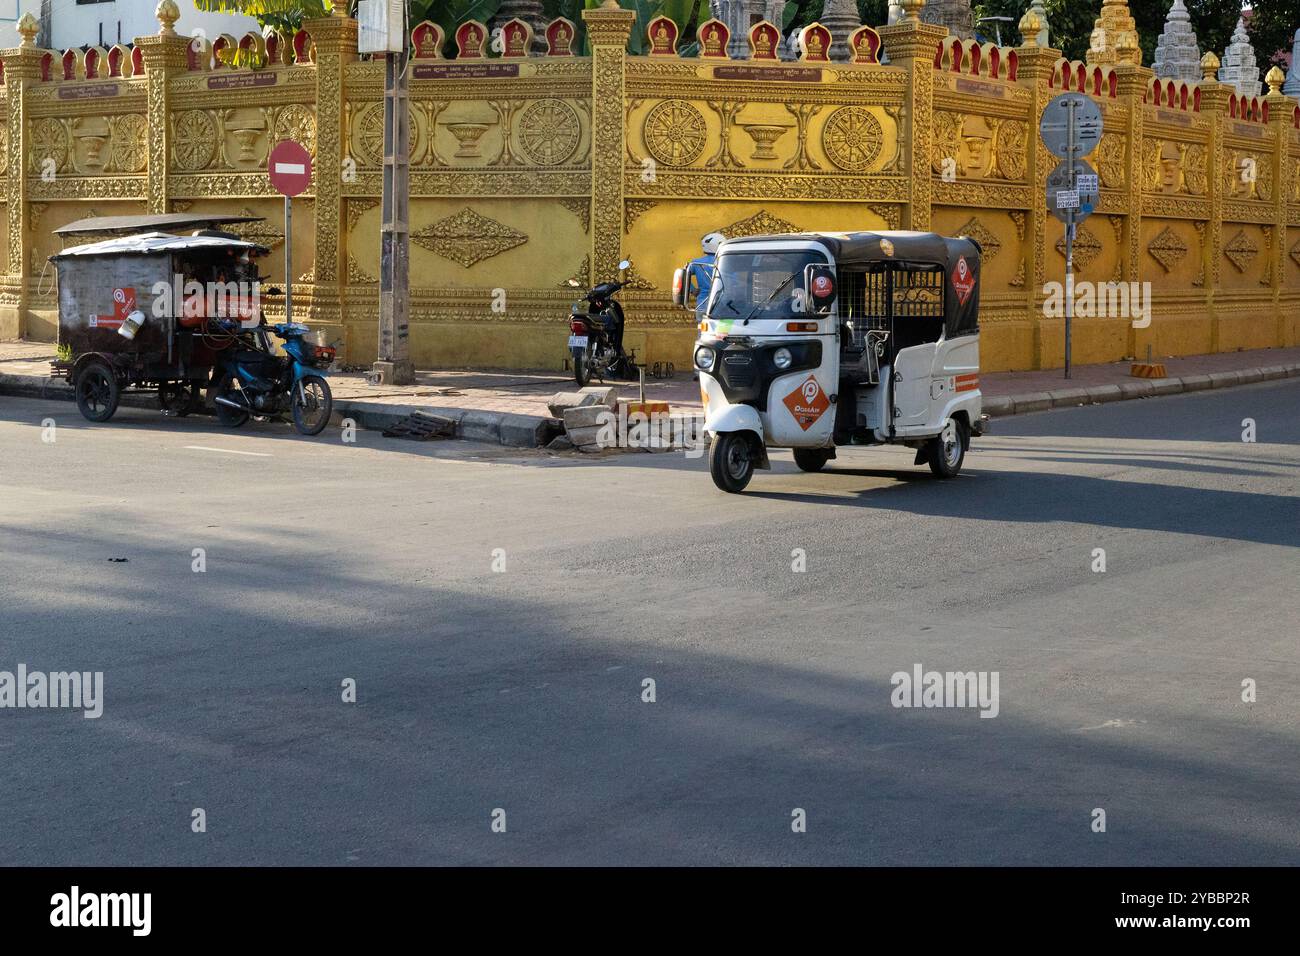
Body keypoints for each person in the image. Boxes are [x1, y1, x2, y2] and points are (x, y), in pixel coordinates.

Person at [687, 232, 724, 316]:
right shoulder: (727, 262)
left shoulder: (696, 262)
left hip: (703, 304)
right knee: (724, 329)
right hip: (723, 305)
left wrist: (693, 290)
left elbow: (682, 276)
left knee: (704, 328)